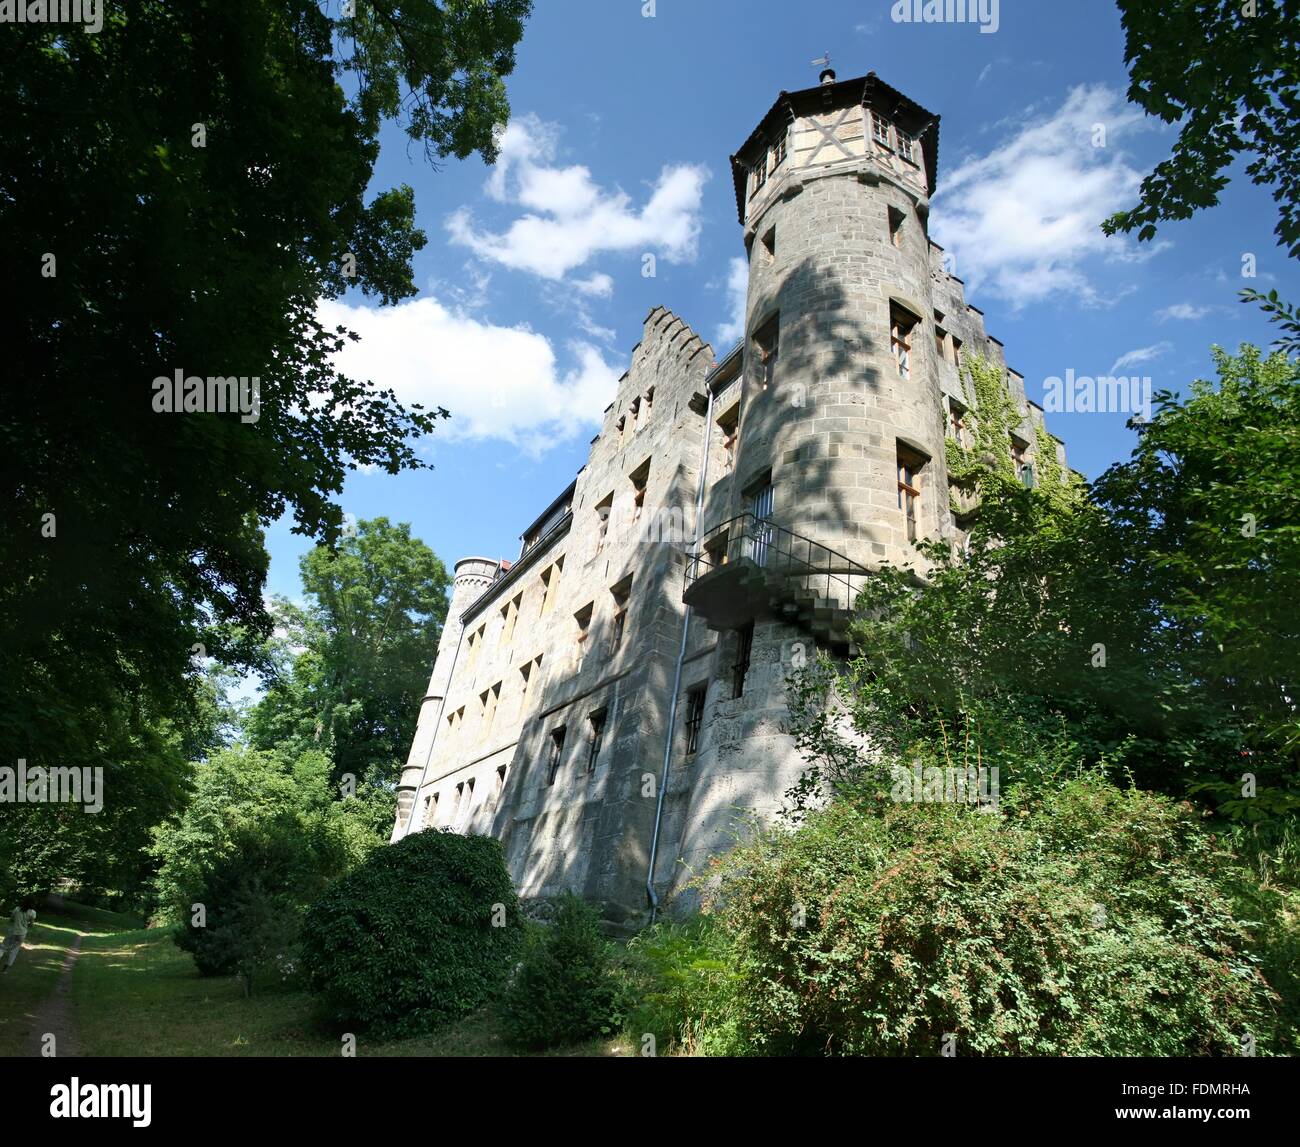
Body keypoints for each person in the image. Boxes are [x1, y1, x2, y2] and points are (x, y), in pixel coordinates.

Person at [1, 900, 34, 974]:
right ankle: (5, 969)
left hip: (12, 931)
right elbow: (31, 925)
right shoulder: (32, 912)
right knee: (14, 951)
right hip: (22, 934)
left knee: (3, 947)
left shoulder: (17, 909)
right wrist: (26, 924)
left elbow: (11, 919)